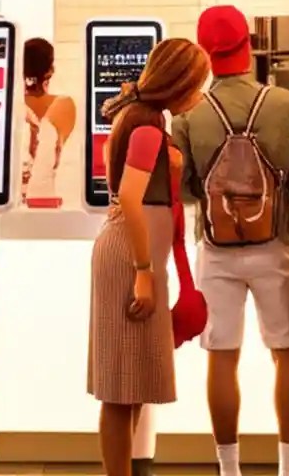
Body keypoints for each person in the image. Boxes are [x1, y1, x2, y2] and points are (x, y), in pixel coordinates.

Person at [173, 5, 289, 476]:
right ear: (248, 45)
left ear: (205, 54)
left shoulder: (189, 114)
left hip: (215, 249)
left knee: (221, 356)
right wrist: (281, 220)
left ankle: (229, 469)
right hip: (274, 245)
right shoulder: (286, 103)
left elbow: (187, 185)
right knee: (287, 352)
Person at [88, 38, 210, 476]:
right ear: (180, 84)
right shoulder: (145, 125)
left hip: (135, 252)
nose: (200, 93)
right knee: (121, 389)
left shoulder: (141, 119)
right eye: (197, 83)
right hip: (130, 256)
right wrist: (143, 272)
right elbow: (130, 196)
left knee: (129, 385)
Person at [21, 37, 76, 206]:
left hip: (10, 208)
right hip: (48, 203)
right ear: (50, 69)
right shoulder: (64, 105)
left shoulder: (10, 106)